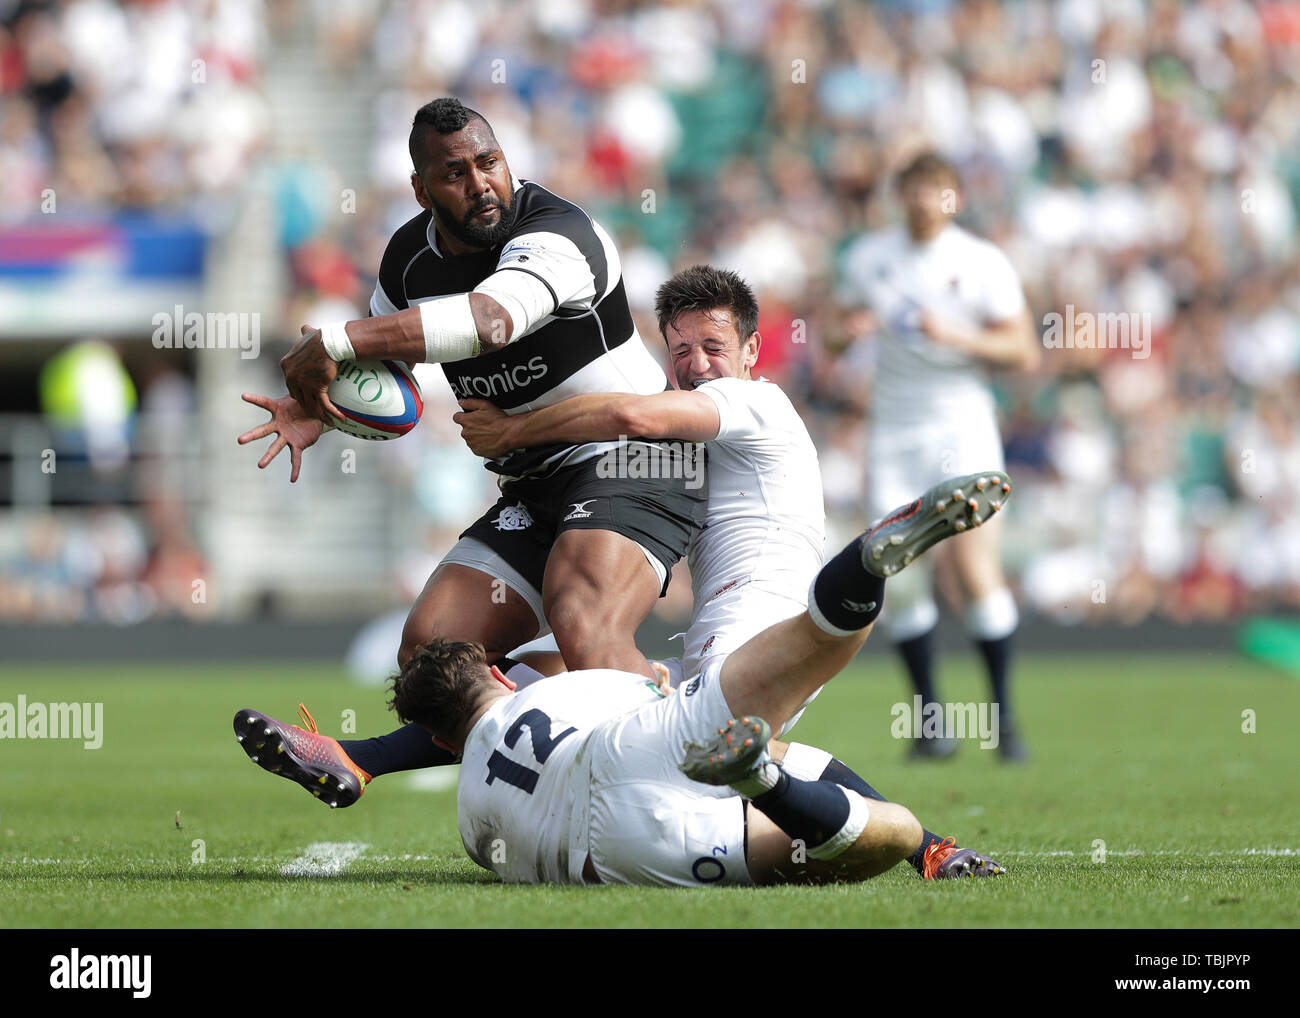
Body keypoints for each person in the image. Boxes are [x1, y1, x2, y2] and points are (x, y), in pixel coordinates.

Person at [238, 266, 1006, 879]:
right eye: (680, 351)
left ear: (749, 353)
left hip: (755, 632)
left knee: (758, 762)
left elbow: (629, 418)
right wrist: (336, 405)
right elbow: (605, 464)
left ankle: (920, 827)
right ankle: (360, 758)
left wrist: (512, 428)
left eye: (713, 346)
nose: (698, 365)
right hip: (719, 644)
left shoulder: (753, 405)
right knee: (512, 687)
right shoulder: (703, 429)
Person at [237, 97, 706, 803]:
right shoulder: (407, 261)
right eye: (454, 173)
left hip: (635, 456)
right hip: (534, 483)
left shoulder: (559, 234)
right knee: (432, 654)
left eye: (490, 162)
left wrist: (334, 341)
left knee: (582, 616)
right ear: (422, 190)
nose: (480, 182)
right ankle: (643, 694)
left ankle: (672, 802)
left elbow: (486, 323)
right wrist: (322, 409)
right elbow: (385, 371)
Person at [324, 470, 1013, 886]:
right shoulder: (554, 686)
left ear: (443, 745)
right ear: (500, 680)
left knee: (875, 832)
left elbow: (501, 855)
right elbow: (645, 688)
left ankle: (769, 786)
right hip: (622, 748)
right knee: (806, 653)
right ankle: (861, 569)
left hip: (617, 847)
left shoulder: (471, 818)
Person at [840, 152, 1039, 761]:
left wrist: (957, 335)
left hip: (960, 419)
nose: (927, 201)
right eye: (916, 189)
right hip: (894, 424)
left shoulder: (979, 261)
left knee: (977, 570)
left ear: (955, 197)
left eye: (939, 190)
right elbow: (834, 328)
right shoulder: (868, 257)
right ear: (899, 195)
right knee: (895, 571)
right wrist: (842, 332)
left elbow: (1024, 352)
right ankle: (932, 725)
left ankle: (1004, 720)